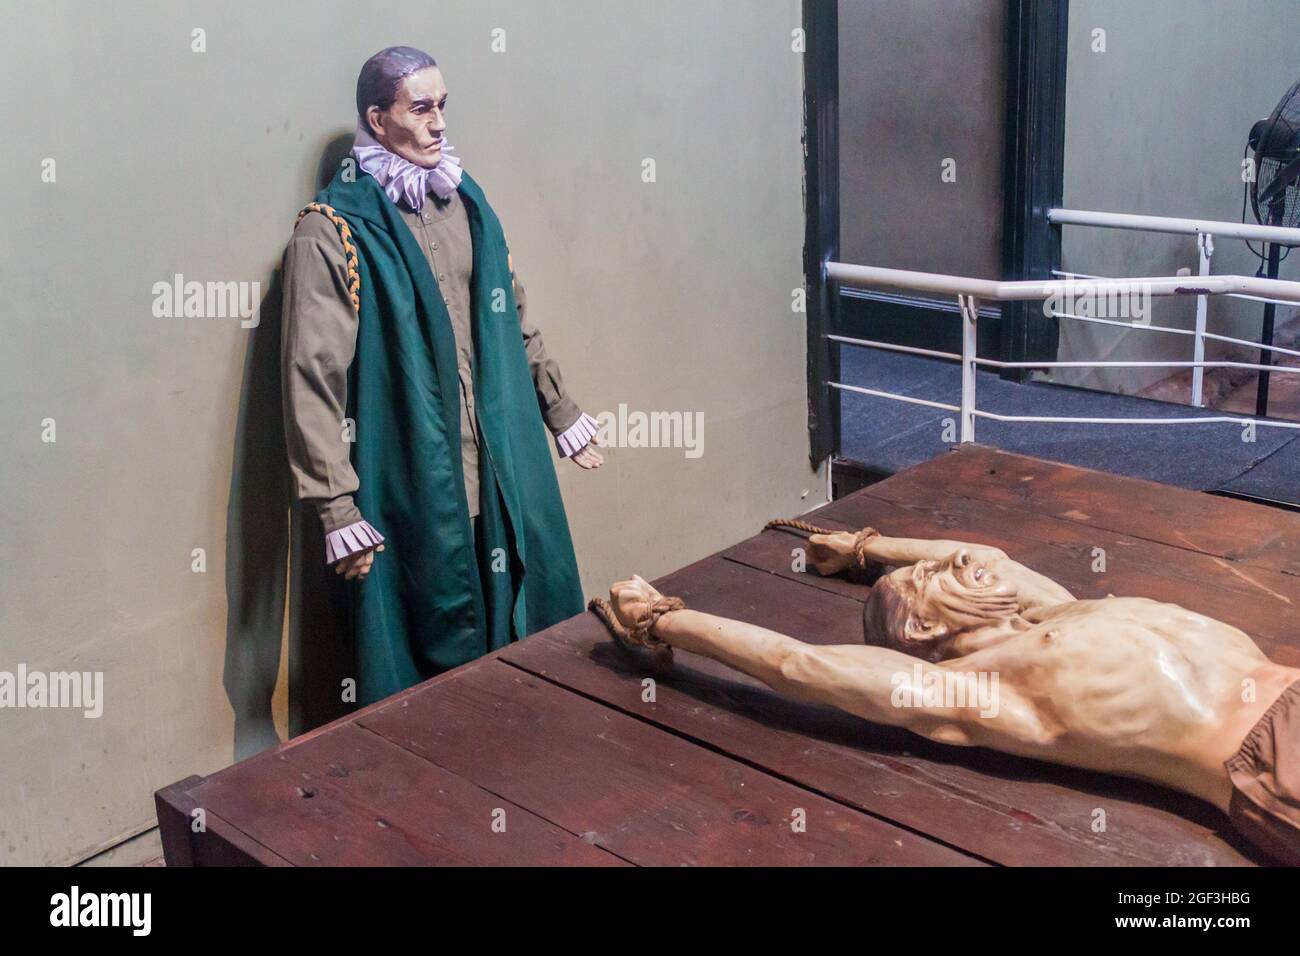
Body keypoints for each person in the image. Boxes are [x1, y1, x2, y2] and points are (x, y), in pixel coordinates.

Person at [600, 525, 1300, 864]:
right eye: (941, 571)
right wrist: (665, 620)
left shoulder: (1061, 609)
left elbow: (988, 557)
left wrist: (862, 546)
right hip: (1272, 761)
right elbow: (798, 664)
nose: (963, 558)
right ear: (928, 624)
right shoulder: (975, 691)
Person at [282, 46, 601, 705]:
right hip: (413, 476)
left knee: (513, 621)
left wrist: (560, 409)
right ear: (378, 118)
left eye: (442, 107)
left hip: (496, 464)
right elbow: (312, 377)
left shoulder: (465, 204)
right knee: (425, 641)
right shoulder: (335, 229)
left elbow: (509, 316)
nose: (437, 124)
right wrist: (335, 502)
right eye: (420, 108)